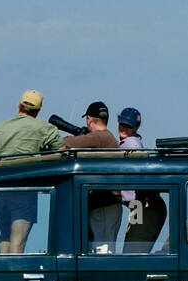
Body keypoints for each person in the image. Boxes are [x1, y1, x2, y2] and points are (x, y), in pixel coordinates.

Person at [0, 89, 61, 253]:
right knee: (18, 242)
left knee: (4, 236)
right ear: (38, 110)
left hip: (2, 190)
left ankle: (2, 272)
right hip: (25, 191)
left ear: (19, 105)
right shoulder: (45, 128)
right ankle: (14, 276)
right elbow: (61, 152)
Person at [62, 101, 120, 251]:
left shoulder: (99, 137)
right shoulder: (108, 138)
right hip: (107, 204)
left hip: (104, 204)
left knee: (102, 252)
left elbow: (64, 144)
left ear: (88, 119)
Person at [113, 107, 167, 253]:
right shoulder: (129, 142)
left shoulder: (132, 144)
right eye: (122, 124)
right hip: (137, 205)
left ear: (136, 127)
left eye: (129, 126)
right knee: (131, 244)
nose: (124, 128)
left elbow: (137, 156)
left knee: (133, 252)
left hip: (145, 205)